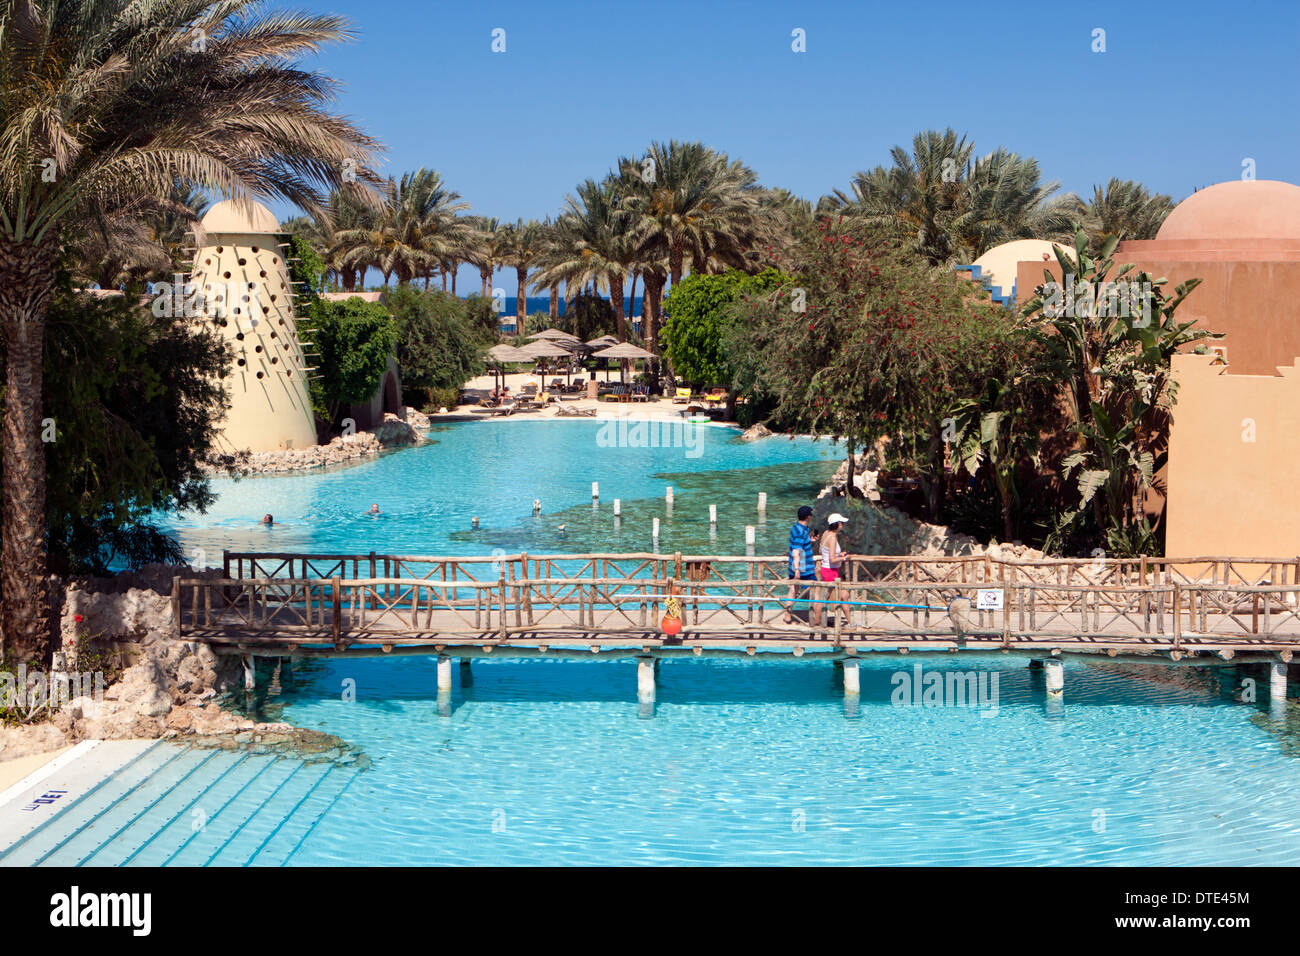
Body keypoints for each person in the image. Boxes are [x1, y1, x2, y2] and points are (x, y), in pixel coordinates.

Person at [782, 505, 819, 624]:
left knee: (793, 589)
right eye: (811, 515)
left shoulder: (798, 528)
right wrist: (797, 570)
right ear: (808, 517)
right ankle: (816, 619)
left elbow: (800, 544)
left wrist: (810, 540)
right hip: (803, 568)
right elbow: (796, 551)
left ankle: (787, 616)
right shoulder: (800, 531)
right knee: (817, 589)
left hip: (798, 566)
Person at [817, 513, 852, 626]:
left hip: (827, 570)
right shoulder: (832, 538)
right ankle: (851, 623)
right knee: (843, 595)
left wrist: (839, 554)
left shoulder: (826, 533)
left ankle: (817, 621)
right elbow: (832, 559)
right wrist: (844, 558)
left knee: (828, 598)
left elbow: (821, 551)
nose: (843, 525)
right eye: (841, 523)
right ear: (836, 524)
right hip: (830, 571)